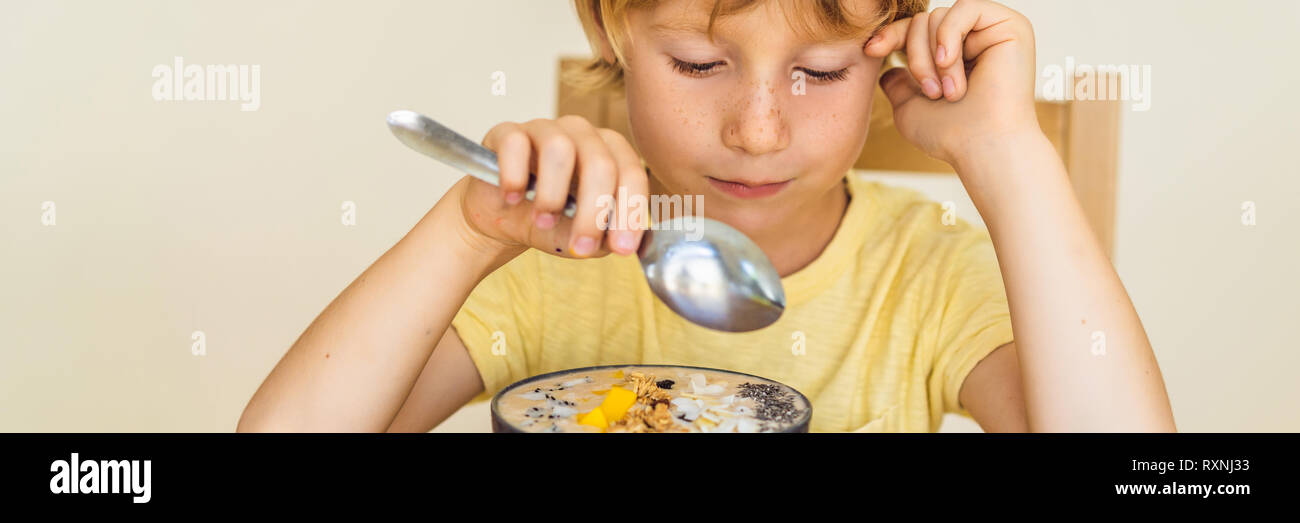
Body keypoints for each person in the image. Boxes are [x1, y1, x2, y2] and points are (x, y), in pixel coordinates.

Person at [238, 0, 1176, 433]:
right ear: (611, 34)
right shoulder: (548, 261)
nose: (759, 131)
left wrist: (1009, 157)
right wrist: (466, 229)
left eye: (819, 72)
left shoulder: (927, 278)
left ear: (885, 50)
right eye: (696, 63)